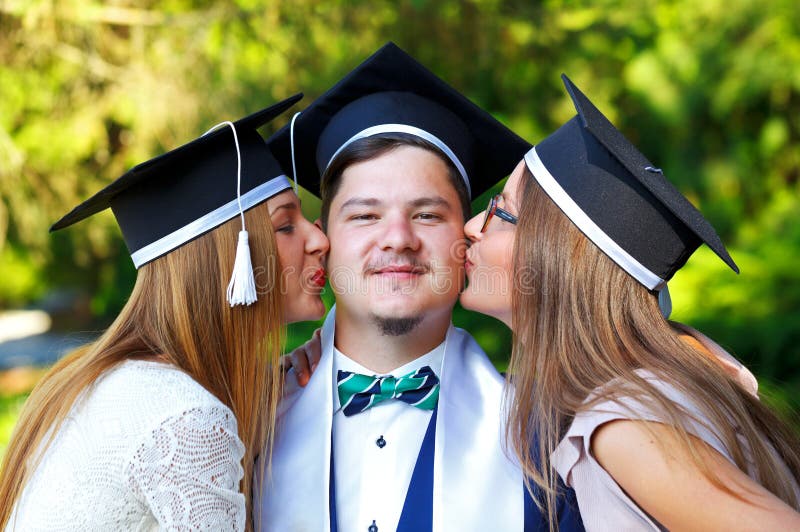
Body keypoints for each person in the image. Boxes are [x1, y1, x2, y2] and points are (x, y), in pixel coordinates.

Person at [259, 43, 582, 531]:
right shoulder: (246, 422)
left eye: (427, 214)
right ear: (324, 238)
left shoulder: (552, 443)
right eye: (365, 215)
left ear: (467, 234)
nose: (398, 240)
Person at [461, 74, 800, 531]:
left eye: (502, 213)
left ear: (560, 261)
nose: (471, 226)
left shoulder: (623, 422)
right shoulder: (674, 381)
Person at [0, 95, 330, 531]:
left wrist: (278, 385)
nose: (320, 239)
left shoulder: (104, 381)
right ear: (230, 261)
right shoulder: (186, 417)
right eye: (286, 225)